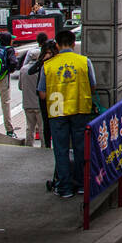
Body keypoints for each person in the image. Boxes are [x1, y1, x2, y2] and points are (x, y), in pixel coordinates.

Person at [39, 28, 97, 198]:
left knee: (61, 149)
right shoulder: (84, 61)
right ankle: (81, 185)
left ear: (57, 44)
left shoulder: (48, 65)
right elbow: (92, 85)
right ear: (73, 43)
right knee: (81, 148)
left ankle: (64, 187)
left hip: (57, 111)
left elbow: (42, 93)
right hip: (80, 108)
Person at [18, 42, 44, 147]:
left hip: (27, 104)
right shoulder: (41, 69)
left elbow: (20, 87)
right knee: (42, 127)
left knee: (29, 127)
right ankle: (44, 146)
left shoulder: (23, 69)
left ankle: (29, 145)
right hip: (39, 104)